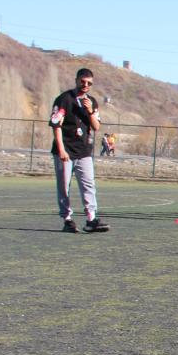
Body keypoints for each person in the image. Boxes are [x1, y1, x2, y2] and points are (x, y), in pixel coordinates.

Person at [50, 68, 108, 233]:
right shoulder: (64, 99)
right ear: (76, 80)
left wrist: (89, 111)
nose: (85, 85)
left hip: (83, 152)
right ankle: (67, 219)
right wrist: (61, 149)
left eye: (89, 83)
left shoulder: (92, 102)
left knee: (88, 185)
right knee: (64, 186)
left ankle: (91, 219)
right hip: (66, 151)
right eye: (83, 81)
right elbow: (56, 125)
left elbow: (96, 126)